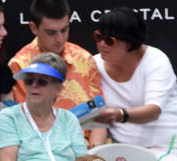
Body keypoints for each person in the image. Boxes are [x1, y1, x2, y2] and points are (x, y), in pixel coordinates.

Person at [92, 6, 177, 161]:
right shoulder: (94, 64)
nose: (101, 44)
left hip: (174, 140)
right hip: (129, 150)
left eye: (109, 40)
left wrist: (120, 115)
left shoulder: (156, 61)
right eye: (98, 37)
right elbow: (96, 118)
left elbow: (153, 111)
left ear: (129, 42)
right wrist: (95, 151)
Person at [8, 0, 105, 150]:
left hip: (86, 149)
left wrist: (93, 152)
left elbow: (99, 117)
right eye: (51, 32)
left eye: (64, 30)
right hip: (42, 148)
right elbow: (26, 123)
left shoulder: (84, 59)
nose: (60, 38)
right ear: (34, 28)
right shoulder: (19, 65)